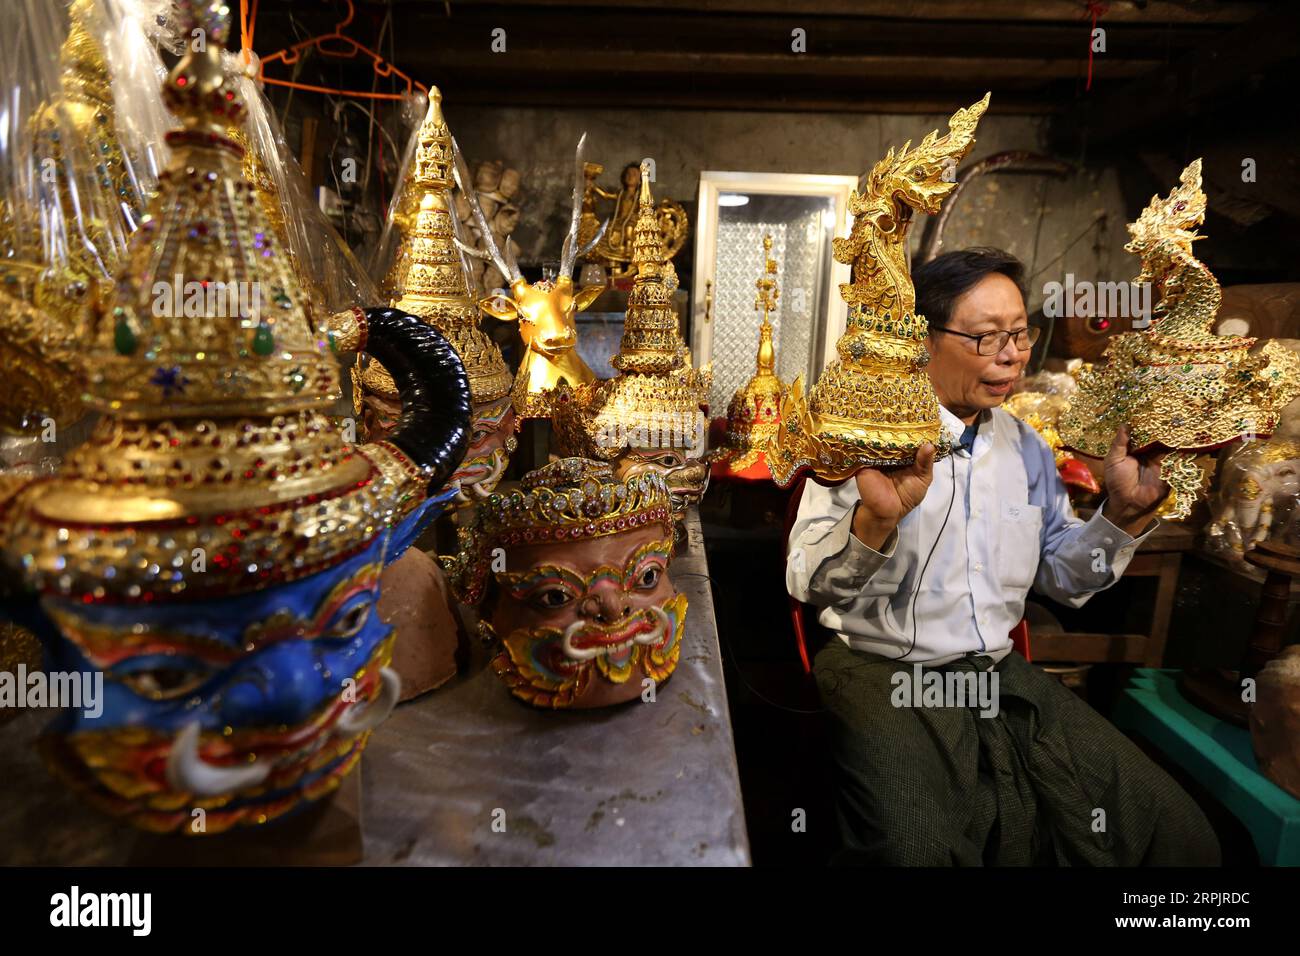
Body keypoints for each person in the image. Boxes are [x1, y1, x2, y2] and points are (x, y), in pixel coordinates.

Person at [786, 247, 1220, 865]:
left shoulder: (1026, 447)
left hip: (997, 676)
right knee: (917, 850)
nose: (1012, 355)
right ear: (923, 340)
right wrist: (876, 518)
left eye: (1019, 334)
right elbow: (810, 586)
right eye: (987, 337)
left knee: (1173, 830)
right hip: (880, 673)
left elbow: (1066, 580)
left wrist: (1120, 515)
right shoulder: (858, 435)